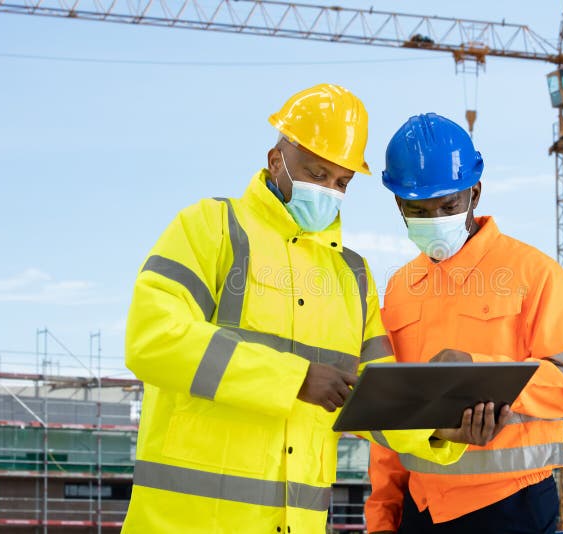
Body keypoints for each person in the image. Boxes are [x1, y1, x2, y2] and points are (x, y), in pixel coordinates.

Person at [122, 86, 507, 534]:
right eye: (317, 173)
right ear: (276, 160)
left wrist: (439, 432)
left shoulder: (353, 275)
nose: (328, 190)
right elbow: (153, 339)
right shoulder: (211, 228)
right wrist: (295, 378)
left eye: (341, 182)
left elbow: (375, 396)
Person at [365, 113, 563, 534]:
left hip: (512, 505)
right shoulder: (399, 288)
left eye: (448, 205)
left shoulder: (534, 272)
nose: (435, 217)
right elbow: (391, 410)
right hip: (421, 510)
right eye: (418, 209)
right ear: (398, 204)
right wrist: (382, 517)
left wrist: (481, 375)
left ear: (475, 192)